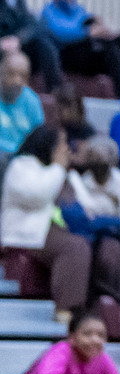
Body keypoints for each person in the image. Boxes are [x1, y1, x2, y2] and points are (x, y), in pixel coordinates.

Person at [1, 125, 97, 320]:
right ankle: (67, 312)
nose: (67, 149)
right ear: (48, 144)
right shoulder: (22, 165)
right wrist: (58, 167)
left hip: (58, 230)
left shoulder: (66, 173)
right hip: (27, 233)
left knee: (105, 246)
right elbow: (38, 195)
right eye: (62, 143)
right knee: (74, 247)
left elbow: (90, 208)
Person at [0, 0, 63, 90]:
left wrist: (18, 39)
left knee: (44, 44)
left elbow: (33, 24)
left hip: (18, 45)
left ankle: (55, 93)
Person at [70, 136, 120, 232]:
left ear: (113, 160)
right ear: (88, 161)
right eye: (95, 161)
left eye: (103, 163)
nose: (99, 167)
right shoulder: (81, 184)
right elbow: (84, 220)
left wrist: (118, 203)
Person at [0, 51, 45, 158]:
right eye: (11, 74)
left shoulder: (32, 100)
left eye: (23, 76)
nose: (17, 81)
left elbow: (39, 137)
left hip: (23, 159)